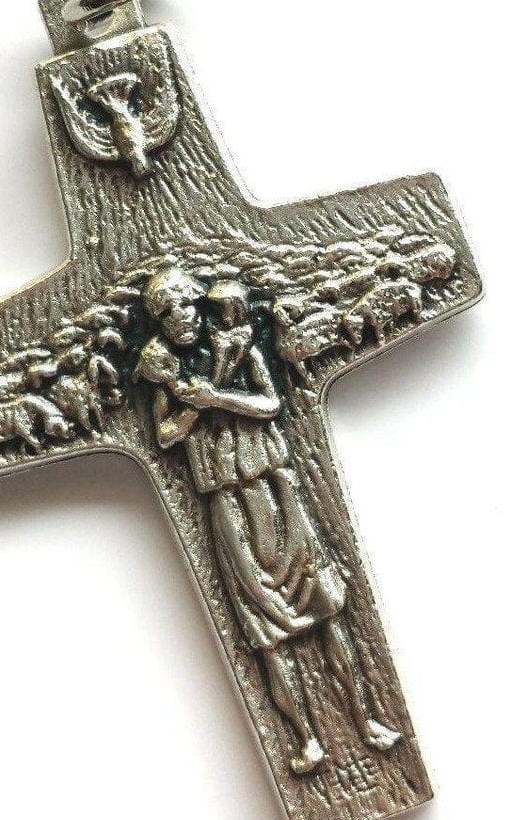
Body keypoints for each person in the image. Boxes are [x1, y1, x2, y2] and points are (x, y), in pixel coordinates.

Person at [135, 267, 402, 774]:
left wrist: (216, 397)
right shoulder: (162, 367)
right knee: (264, 631)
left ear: (198, 304)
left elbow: (271, 402)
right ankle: (306, 740)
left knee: (324, 604)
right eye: (166, 315)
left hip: (275, 488)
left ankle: (367, 717)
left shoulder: (239, 344)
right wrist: (192, 409)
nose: (179, 319)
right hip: (225, 498)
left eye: (184, 306)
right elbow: (165, 435)